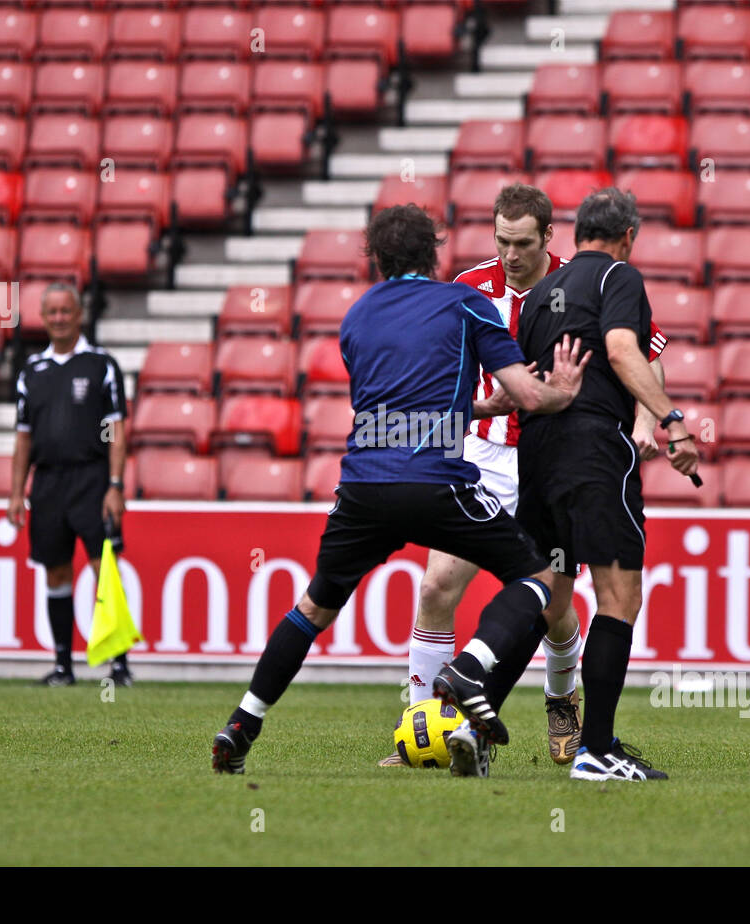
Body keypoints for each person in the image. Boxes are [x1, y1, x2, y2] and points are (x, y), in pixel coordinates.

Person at [212, 204, 590, 776]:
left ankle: (243, 721)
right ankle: (463, 677)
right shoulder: (464, 300)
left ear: (378, 259)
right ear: (434, 252)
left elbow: (403, 403)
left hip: (365, 486)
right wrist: (560, 390)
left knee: (313, 607)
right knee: (537, 580)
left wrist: (475, 406)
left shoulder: (356, 317)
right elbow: (531, 397)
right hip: (441, 479)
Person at [383, 183, 669, 767]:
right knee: (438, 586)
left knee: (553, 601)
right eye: (501, 241)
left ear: (547, 238)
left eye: (521, 243)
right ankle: (422, 728)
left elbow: (645, 350)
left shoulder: (578, 282)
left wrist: (646, 418)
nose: (511, 254)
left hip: (546, 455)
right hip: (484, 456)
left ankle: (561, 699)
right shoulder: (468, 289)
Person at [6, 283, 134, 687]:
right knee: (56, 572)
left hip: (92, 480)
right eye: (52, 312)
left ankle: (118, 665)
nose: (60, 318)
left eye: (66, 311)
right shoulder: (32, 371)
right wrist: (15, 492)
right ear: (42, 318)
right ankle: (63, 666)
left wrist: (115, 483)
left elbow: (115, 428)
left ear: (79, 315)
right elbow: (23, 436)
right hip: (46, 483)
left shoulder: (101, 365)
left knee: (104, 569)